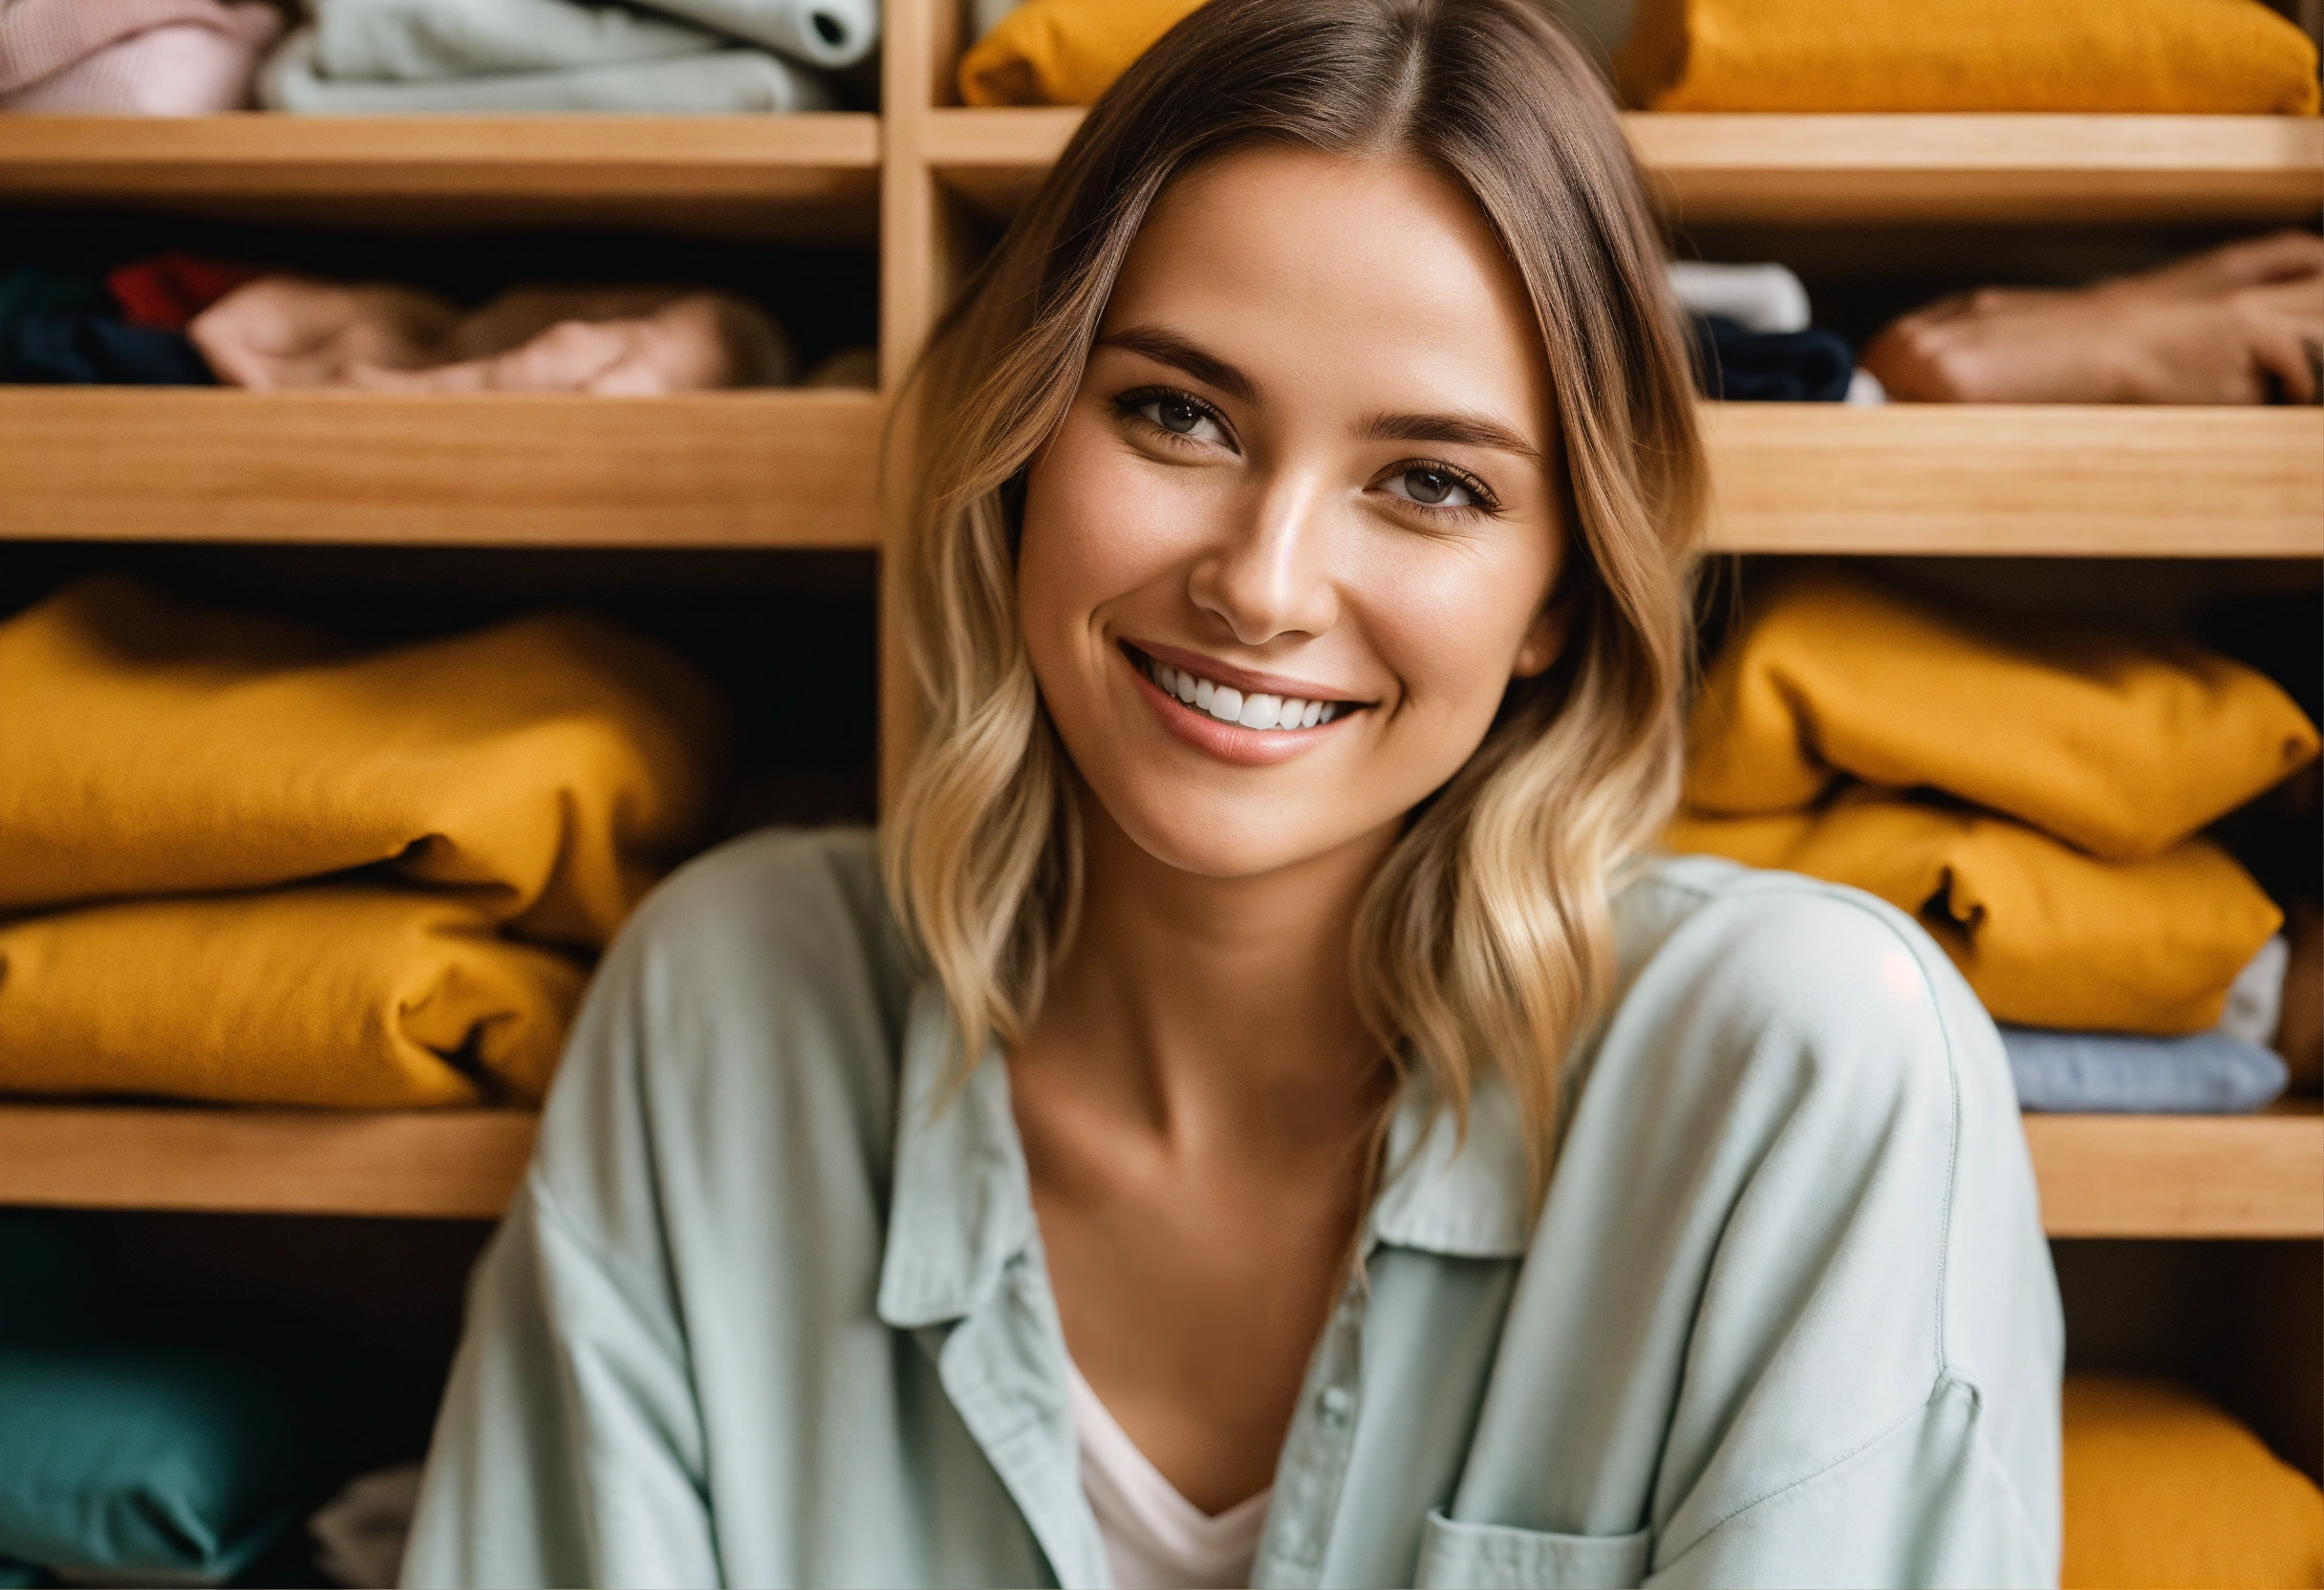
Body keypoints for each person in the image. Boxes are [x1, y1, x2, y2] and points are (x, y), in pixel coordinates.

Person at [400, 2, 2062, 1585]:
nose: (1264, 585)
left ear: (1558, 592)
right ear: (1028, 443)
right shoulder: (728, 1004)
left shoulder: (1808, 1070)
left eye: (1429, 483)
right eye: (1177, 414)